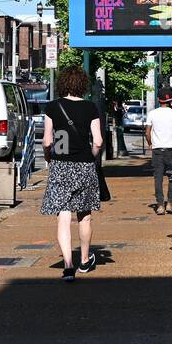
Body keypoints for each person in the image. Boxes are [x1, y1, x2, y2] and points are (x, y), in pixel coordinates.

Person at [41, 66, 104, 281]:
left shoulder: (53, 107)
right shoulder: (90, 108)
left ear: (62, 84)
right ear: (82, 85)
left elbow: (48, 141)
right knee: (84, 216)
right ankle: (85, 261)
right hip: (84, 165)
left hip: (60, 166)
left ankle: (68, 266)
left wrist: (49, 157)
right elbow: (98, 141)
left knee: (64, 216)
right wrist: (92, 157)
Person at [145, 92, 172, 214]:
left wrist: (150, 144)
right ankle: (170, 203)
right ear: (170, 100)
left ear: (158, 100)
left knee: (158, 179)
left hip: (157, 151)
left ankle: (160, 205)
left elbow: (147, 132)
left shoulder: (152, 113)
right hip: (171, 150)